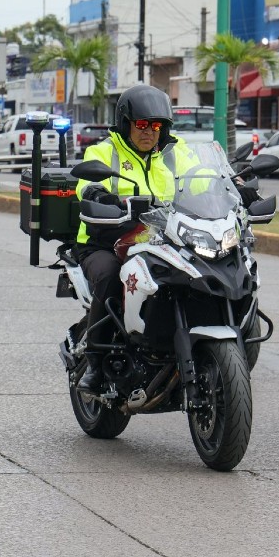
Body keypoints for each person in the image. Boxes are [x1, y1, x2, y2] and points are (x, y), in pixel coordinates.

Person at [73, 85, 187, 394]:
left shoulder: (176, 154)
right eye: (142, 124)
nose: (150, 131)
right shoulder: (103, 152)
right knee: (112, 278)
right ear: (127, 124)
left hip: (163, 240)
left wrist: (236, 184)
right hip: (106, 241)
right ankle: (95, 363)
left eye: (156, 125)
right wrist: (98, 193)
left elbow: (204, 178)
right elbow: (84, 184)